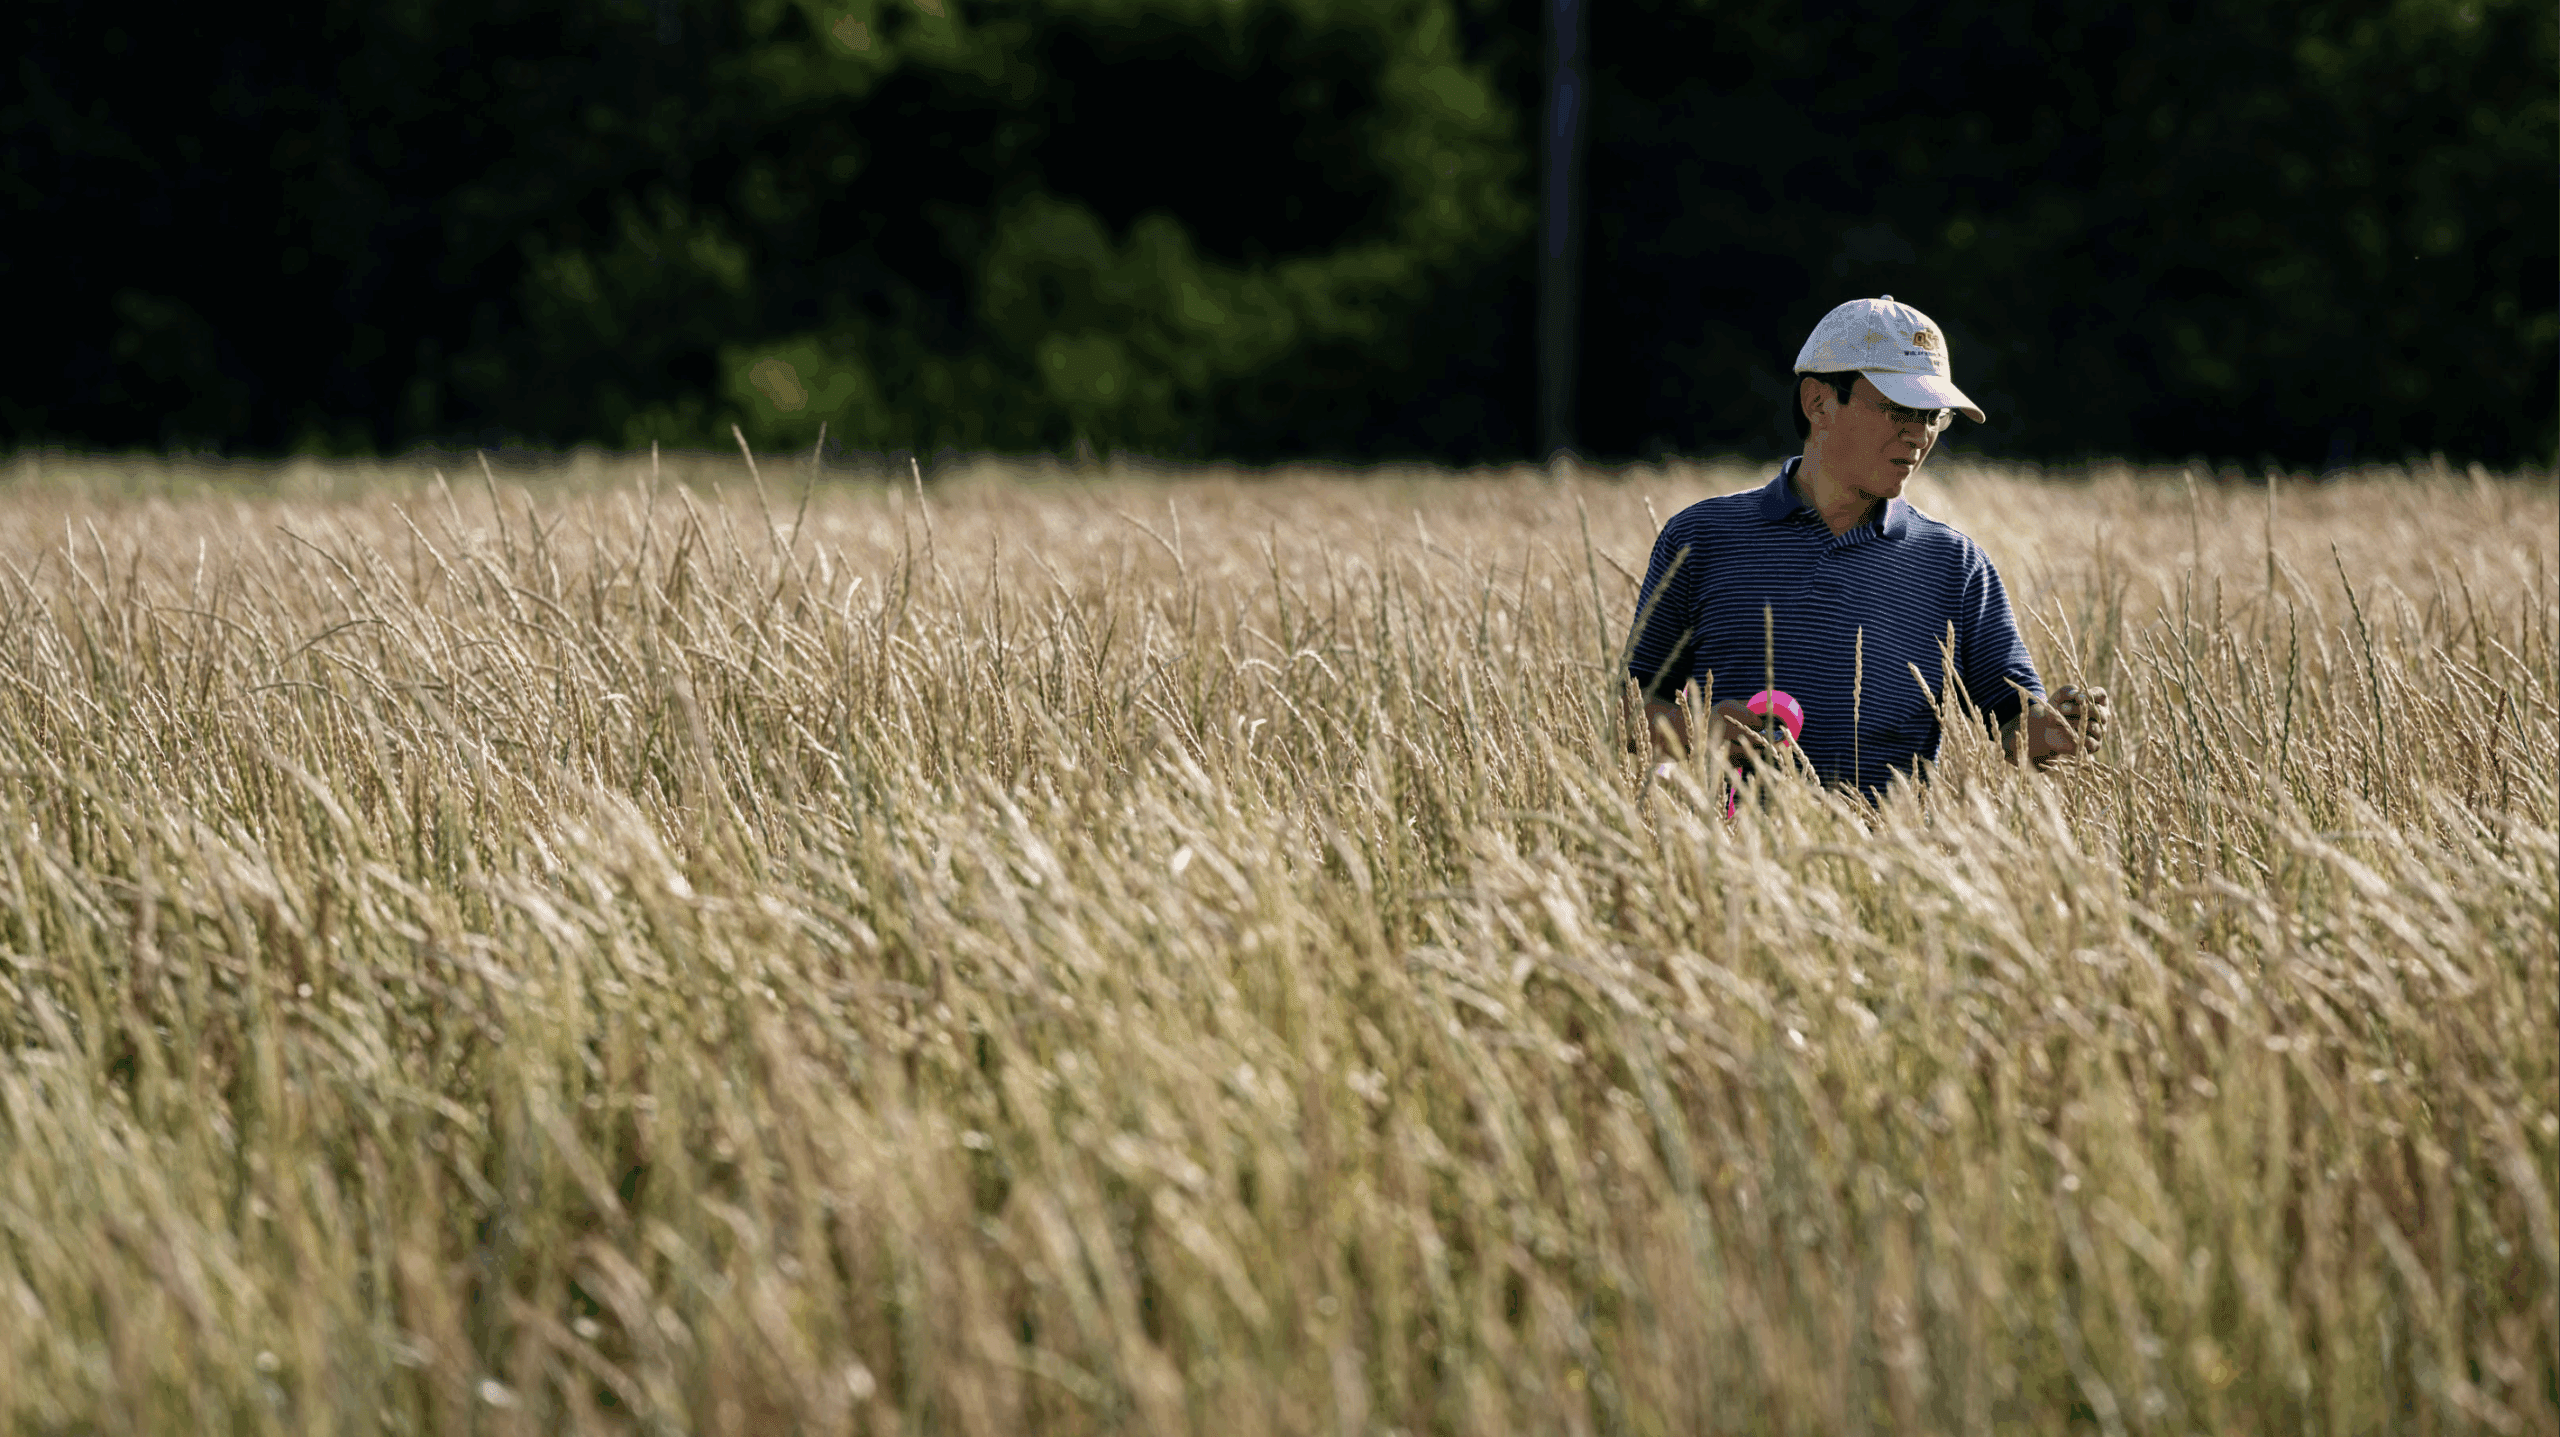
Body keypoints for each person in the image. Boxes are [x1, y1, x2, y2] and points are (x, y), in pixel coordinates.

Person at [1626, 296, 2108, 795]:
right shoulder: (1701, 537)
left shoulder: (1956, 565)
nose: (1919, 435)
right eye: (1899, 409)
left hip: (1888, 847)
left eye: (1933, 415)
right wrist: (1698, 733)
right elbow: (1631, 707)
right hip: (1724, 842)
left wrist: (2052, 732)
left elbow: (2013, 722)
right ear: (1818, 402)